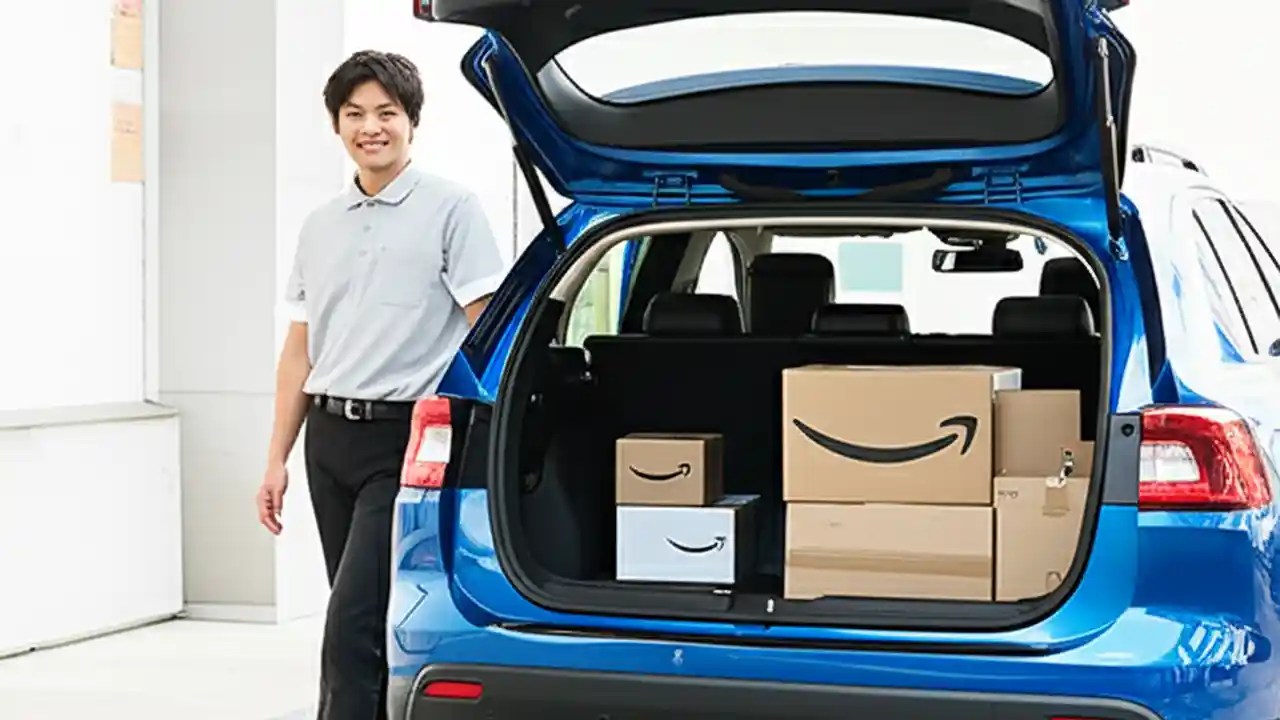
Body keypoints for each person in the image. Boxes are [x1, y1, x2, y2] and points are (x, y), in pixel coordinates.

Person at [255, 50, 506, 720]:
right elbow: (299, 350)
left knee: (351, 625)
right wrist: (276, 458)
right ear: (338, 125)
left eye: (386, 113)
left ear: (411, 123)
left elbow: (487, 331)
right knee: (358, 619)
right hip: (328, 442)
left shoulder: (453, 209)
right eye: (355, 114)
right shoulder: (319, 225)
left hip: (404, 441)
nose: (372, 127)